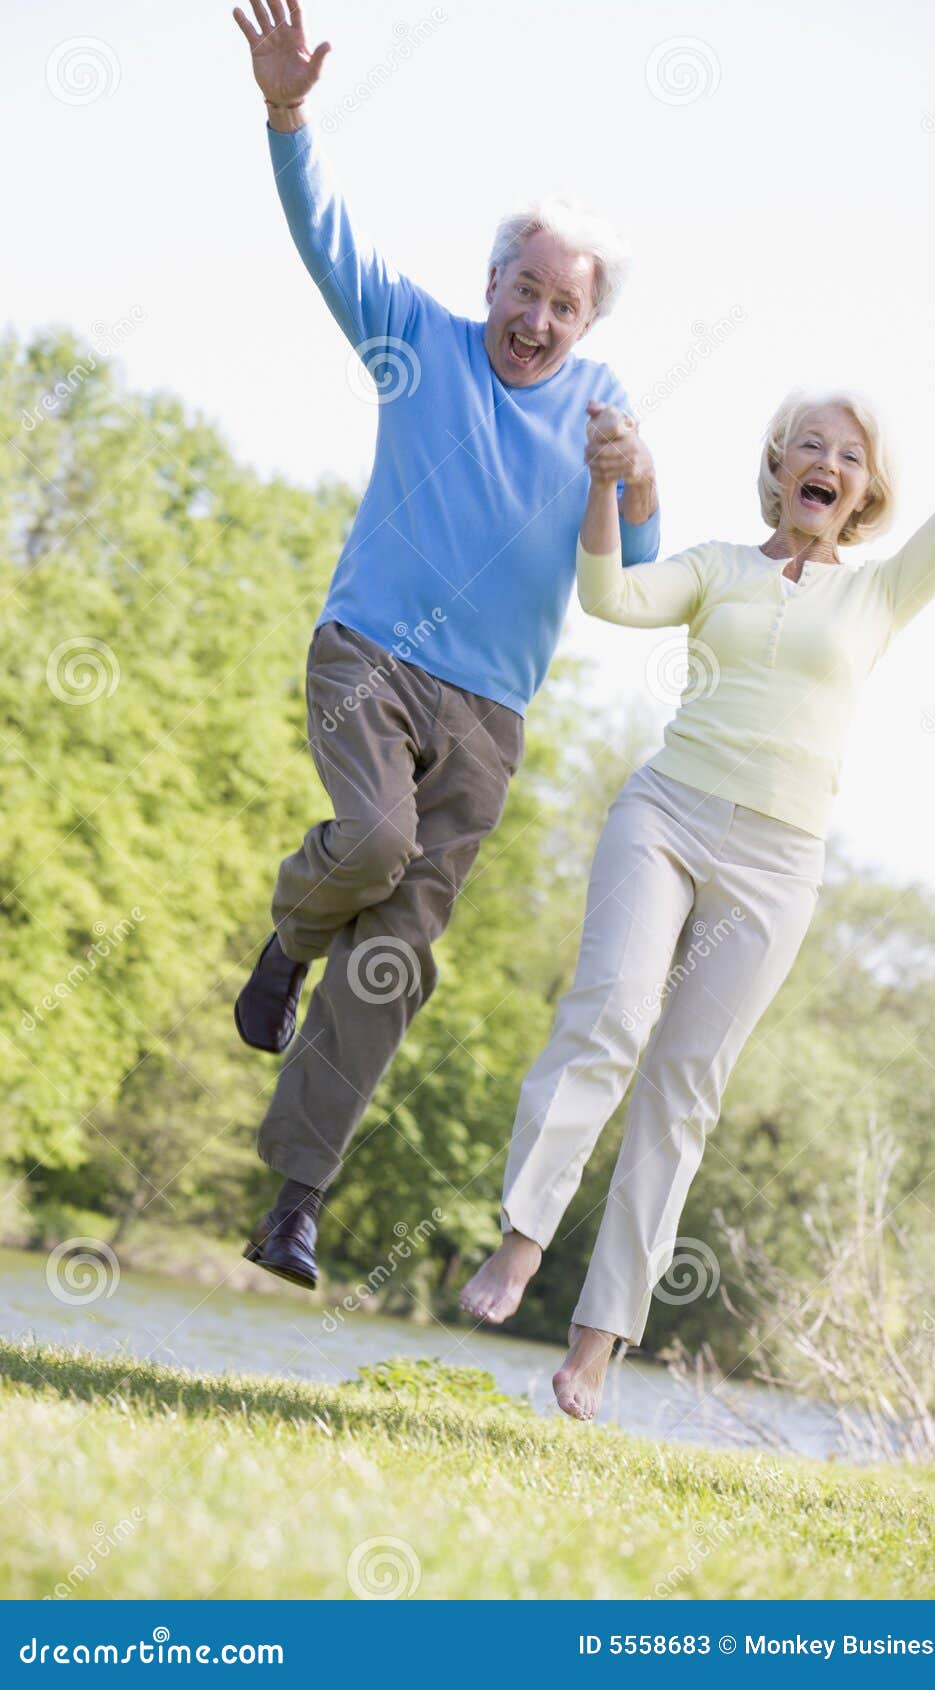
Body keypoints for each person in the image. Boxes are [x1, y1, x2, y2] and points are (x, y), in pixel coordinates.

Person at [460, 298, 935, 1420]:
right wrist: (604, 486)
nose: (825, 463)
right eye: (807, 445)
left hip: (777, 863)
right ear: (778, 466)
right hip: (665, 817)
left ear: (863, 491)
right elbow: (609, 595)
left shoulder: (878, 593)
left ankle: (595, 1343)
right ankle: (522, 1238)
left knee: (681, 1089)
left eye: (848, 455)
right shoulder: (716, 567)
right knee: (608, 1015)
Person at [230, 0, 660, 1288]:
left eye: (562, 305)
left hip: (489, 718)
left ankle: (293, 1204)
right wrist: (288, 113)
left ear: (585, 323)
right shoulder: (416, 341)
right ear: (489, 286)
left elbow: (633, 576)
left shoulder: (601, 412)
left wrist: (637, 481)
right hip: (369, 655)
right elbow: (326, 237)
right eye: (523, 290)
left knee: (393, 954)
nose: (536, 318)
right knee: (371, 843)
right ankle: (286, 938)